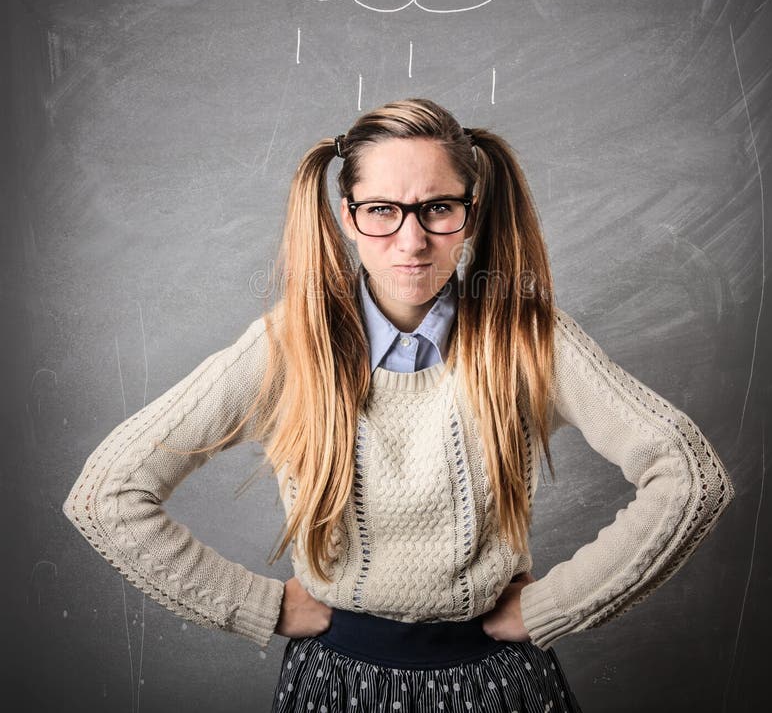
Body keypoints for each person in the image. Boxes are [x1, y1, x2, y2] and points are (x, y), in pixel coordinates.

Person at [63, 98, 736, 712]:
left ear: (470, 211)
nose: (411, 240)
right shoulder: (292, 348)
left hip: (500, 685)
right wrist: (260, 606)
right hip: (335, 687)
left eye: (437, 207)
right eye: (381, 209)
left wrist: (554, 605)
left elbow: (690, 477)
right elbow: (108, 493)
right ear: (347, 216)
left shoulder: (526, 340)